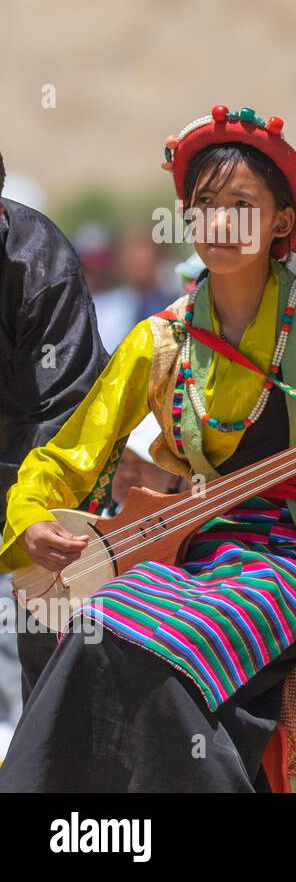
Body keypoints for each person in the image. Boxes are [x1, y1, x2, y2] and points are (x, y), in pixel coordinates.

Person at [0, 105, 296, 791]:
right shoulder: (160, 340)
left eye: (242, 205)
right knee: (99, 627)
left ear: (282, 222)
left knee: (154, 641)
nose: (220, 222)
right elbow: (66, 453)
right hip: (197, 552)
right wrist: (31, 516)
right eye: (205, 205)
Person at [0, 151, 109, 705]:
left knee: (49, 624)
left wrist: (25, 513)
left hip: (46, 467)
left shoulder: (40, 264)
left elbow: (62, 411)